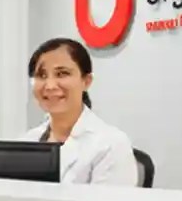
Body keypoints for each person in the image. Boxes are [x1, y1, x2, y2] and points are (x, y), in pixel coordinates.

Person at [22, 37, 138, 186]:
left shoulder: (112, 145)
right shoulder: (28, 141)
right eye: (41, 75)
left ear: (86, 81)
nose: (50, 85)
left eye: (62, 74)